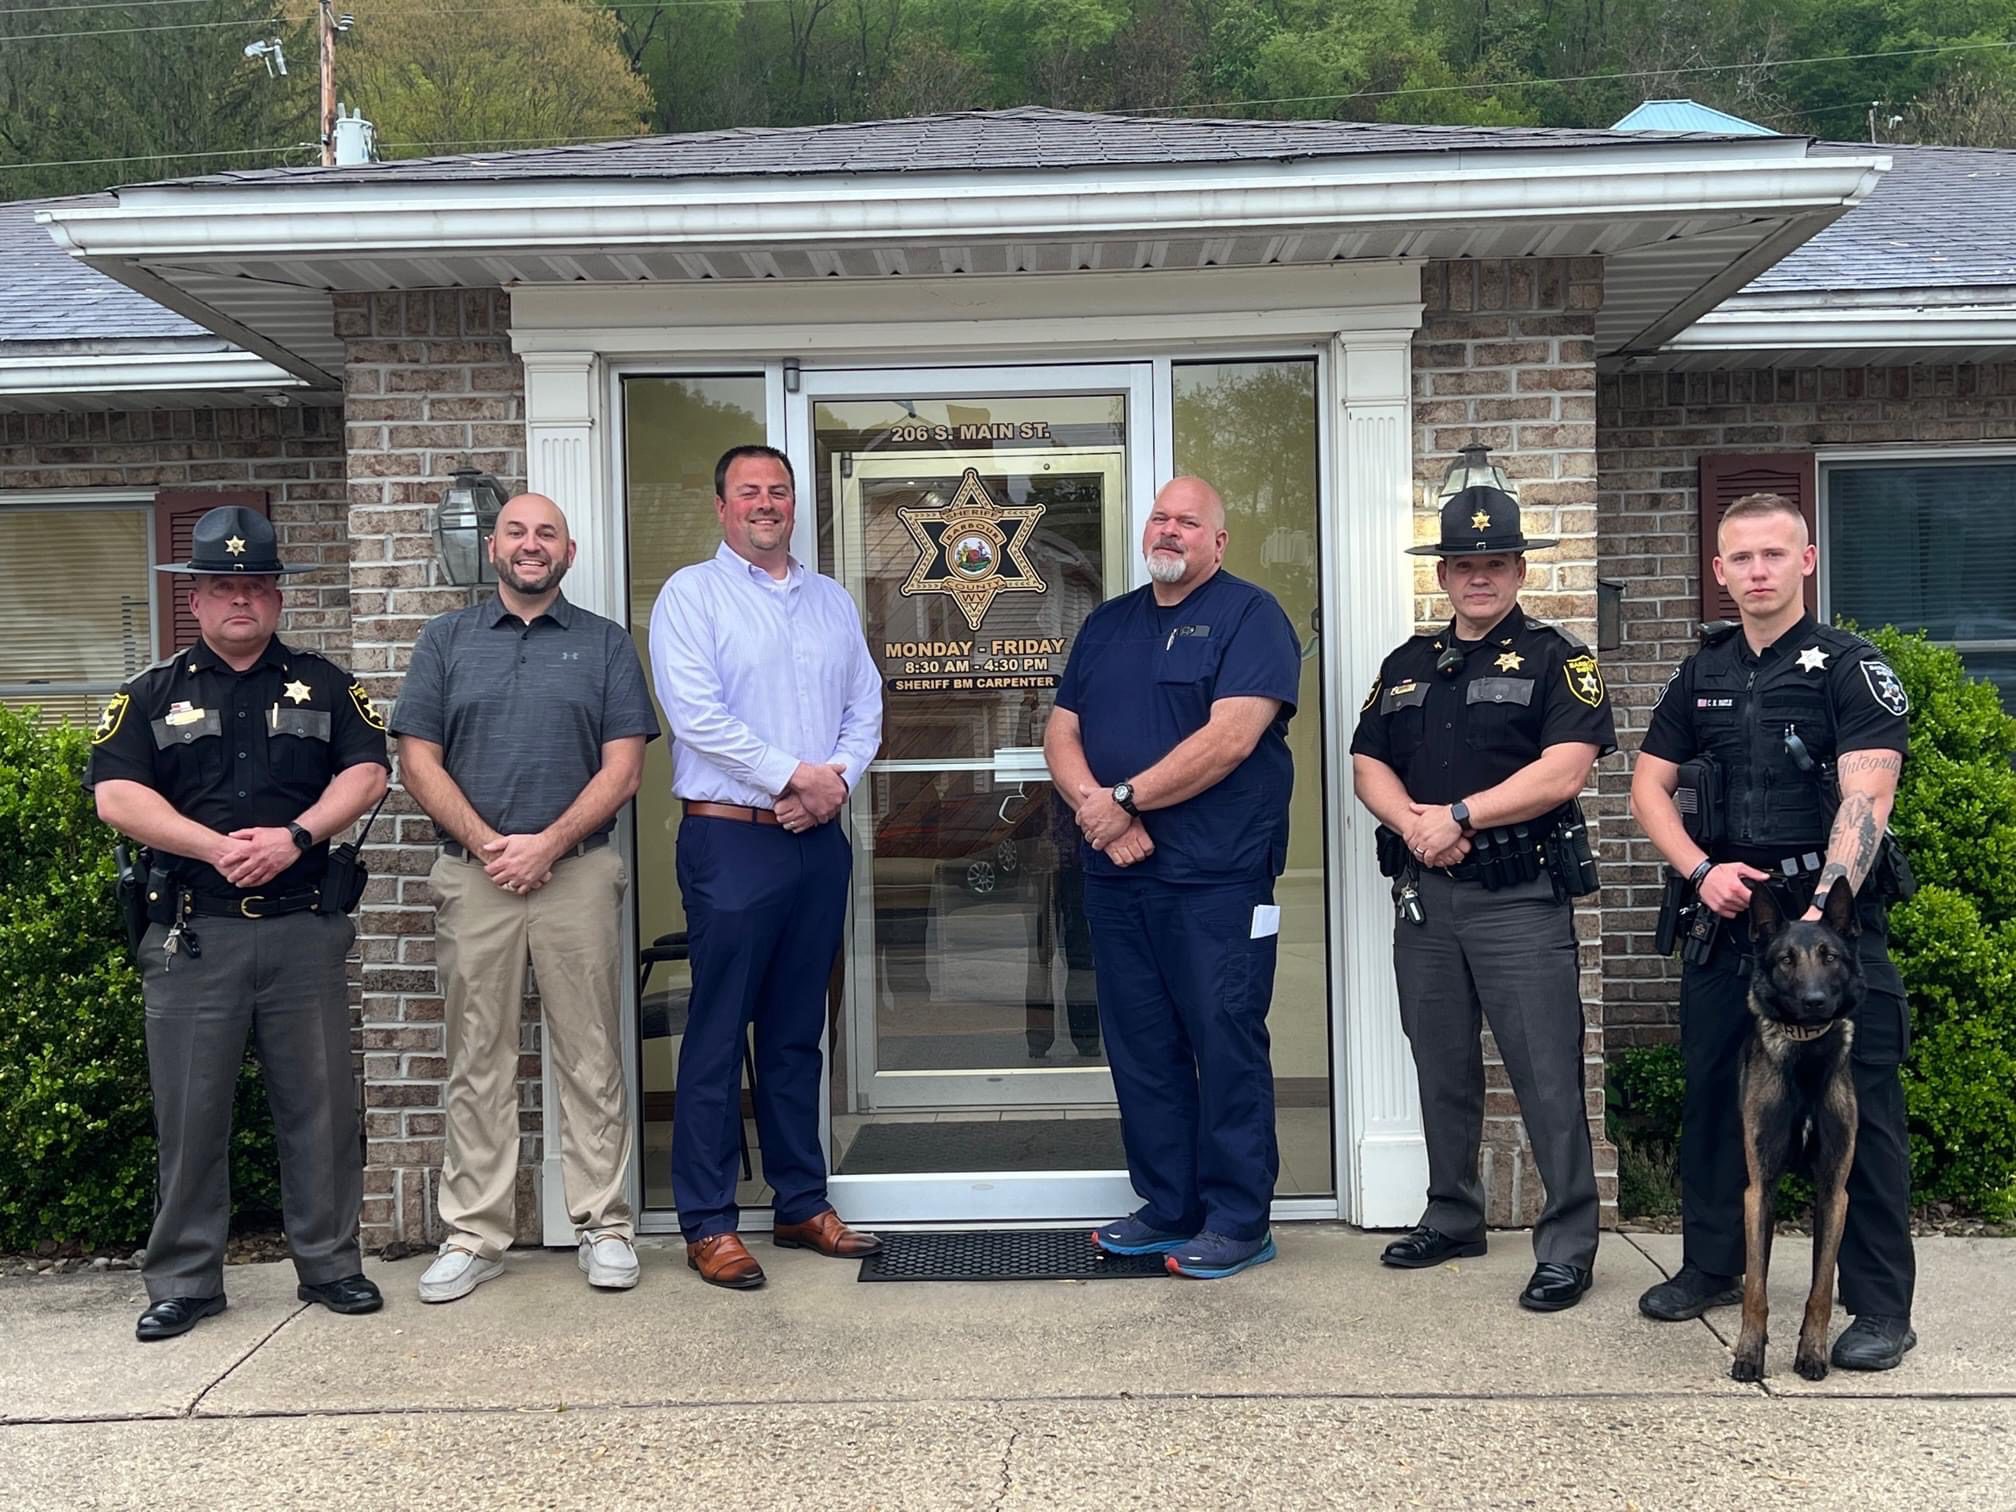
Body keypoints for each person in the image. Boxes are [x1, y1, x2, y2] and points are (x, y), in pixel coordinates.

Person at [86, 505, 390, 1341]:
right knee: (191, 1114)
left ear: (277, 597)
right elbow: (117, 796)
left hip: (301, 929)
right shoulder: (149, 695)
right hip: (195, 933)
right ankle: (184, 1279)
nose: (240, 601)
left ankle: (330, 1265)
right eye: (223, 586)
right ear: (197, 599)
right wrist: (218, 848)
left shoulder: (327, 686)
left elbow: (369, 774)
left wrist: (295, 837)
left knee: (321, 1108)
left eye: (255, 584)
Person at [1630, 490, 1917, 1371]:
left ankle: (1876, 1307)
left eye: (1772, 555)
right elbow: (1648, 785)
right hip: (1728, 923)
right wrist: (1698, 870)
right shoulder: (1700, 674)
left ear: (1806, 561)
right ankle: (1712, 1267)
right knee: (1716, 1101)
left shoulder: (1848, 666)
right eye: (1740, 559)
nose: (1757, 572)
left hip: (1827, 935)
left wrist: (1820, 909)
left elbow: (1867, 793)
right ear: (1719, 571)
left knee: (1860, 1119)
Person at [1348, 478, 1613, 1312]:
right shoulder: (1406, 664)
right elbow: (1367, 762)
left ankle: (1568, 1243)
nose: (1479, 578)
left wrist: (1458, 814)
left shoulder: (1558, 661)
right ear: (1444, 574)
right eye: (1464, 563)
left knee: (1545, 1074)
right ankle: (1454, 1214)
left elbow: (1565, 771)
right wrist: (1419, 826)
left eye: (1495, 563)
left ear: (1519, 571)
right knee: (1441, 1066)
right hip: (1427, 900)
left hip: (1518, 899)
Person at [392, 493, 661, 1303]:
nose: (531, 545)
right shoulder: (445, 642)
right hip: (477, 880)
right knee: (478, 1060)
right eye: (517, 532)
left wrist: (545, 845)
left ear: (569, 553)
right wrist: (491, 846)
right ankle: (476, 1234)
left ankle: (604, 1226)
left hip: (575, 873)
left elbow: (624, 770)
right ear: (495, 548)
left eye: (546, 534)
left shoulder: (606, 645)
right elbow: (418, 762)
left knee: (589, 1053)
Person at [1044, 475, 1301, 1280]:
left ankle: (1238, 1217)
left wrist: (1123, 801)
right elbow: (1061, 729)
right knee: (1141, 1045)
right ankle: (1168, 1204)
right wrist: (1096, 809)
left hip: (1215, 878)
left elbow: (1230, 740)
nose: (1170, 530)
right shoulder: (1109, 624)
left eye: (1188, 521)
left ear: (1218, 542)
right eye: (1160, 517)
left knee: (1224, 1040)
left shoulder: (1250, 618)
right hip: (1117, 878)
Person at [647, 444, 885, 1289]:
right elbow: (696, 716)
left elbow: (866, 705)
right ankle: (707, 1222)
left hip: (816, 842)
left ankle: (800, 1202)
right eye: (749, 491)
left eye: (778, 491)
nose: (765, 502)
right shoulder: (691, 597)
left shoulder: (830, 603)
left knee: (795, 1032)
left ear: (795, 506)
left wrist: (835, 785)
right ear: (720, 507)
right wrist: (796, 775)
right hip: (731, 839)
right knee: (717, 1031)